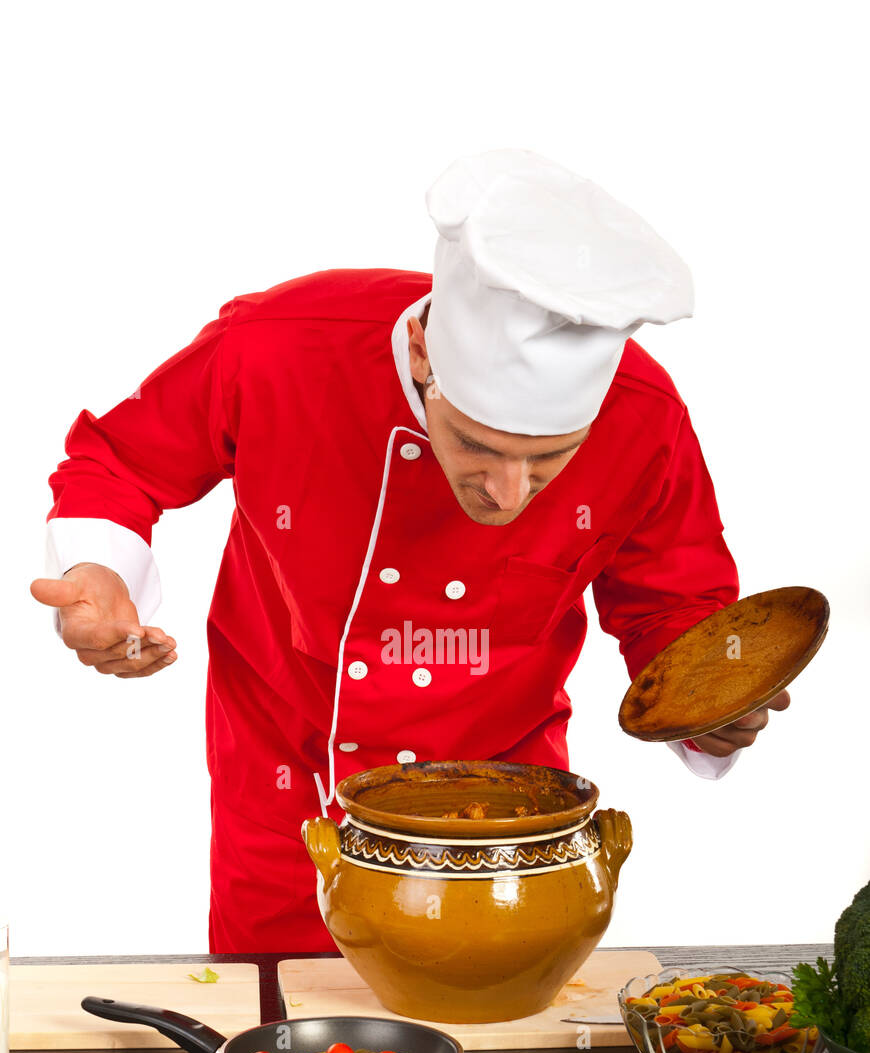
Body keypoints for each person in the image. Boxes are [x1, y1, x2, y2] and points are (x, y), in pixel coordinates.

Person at [31, 149, 788, 953]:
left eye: (551, 458)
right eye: (478, 445)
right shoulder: (280, 349)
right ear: (426, 356)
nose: (509, 492)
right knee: (281, 1047)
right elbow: (122, 460)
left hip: (508, 830)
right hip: (290, 801)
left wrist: (714, 710)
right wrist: (99, 568)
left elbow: (674, 604)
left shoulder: (646, 418)